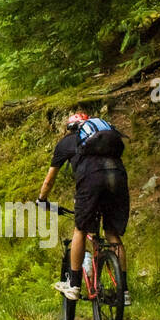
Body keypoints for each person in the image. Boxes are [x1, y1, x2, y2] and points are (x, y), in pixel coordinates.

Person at [37, 111, 130, 304]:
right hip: (118, 176)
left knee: (80, 229)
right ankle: (125, 292)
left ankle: (74, 286)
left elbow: (49, 180)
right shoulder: (103, 138)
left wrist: (42, 200)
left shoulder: (65, 143)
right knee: (112, 234)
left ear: (69, 129)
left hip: (92, 179)